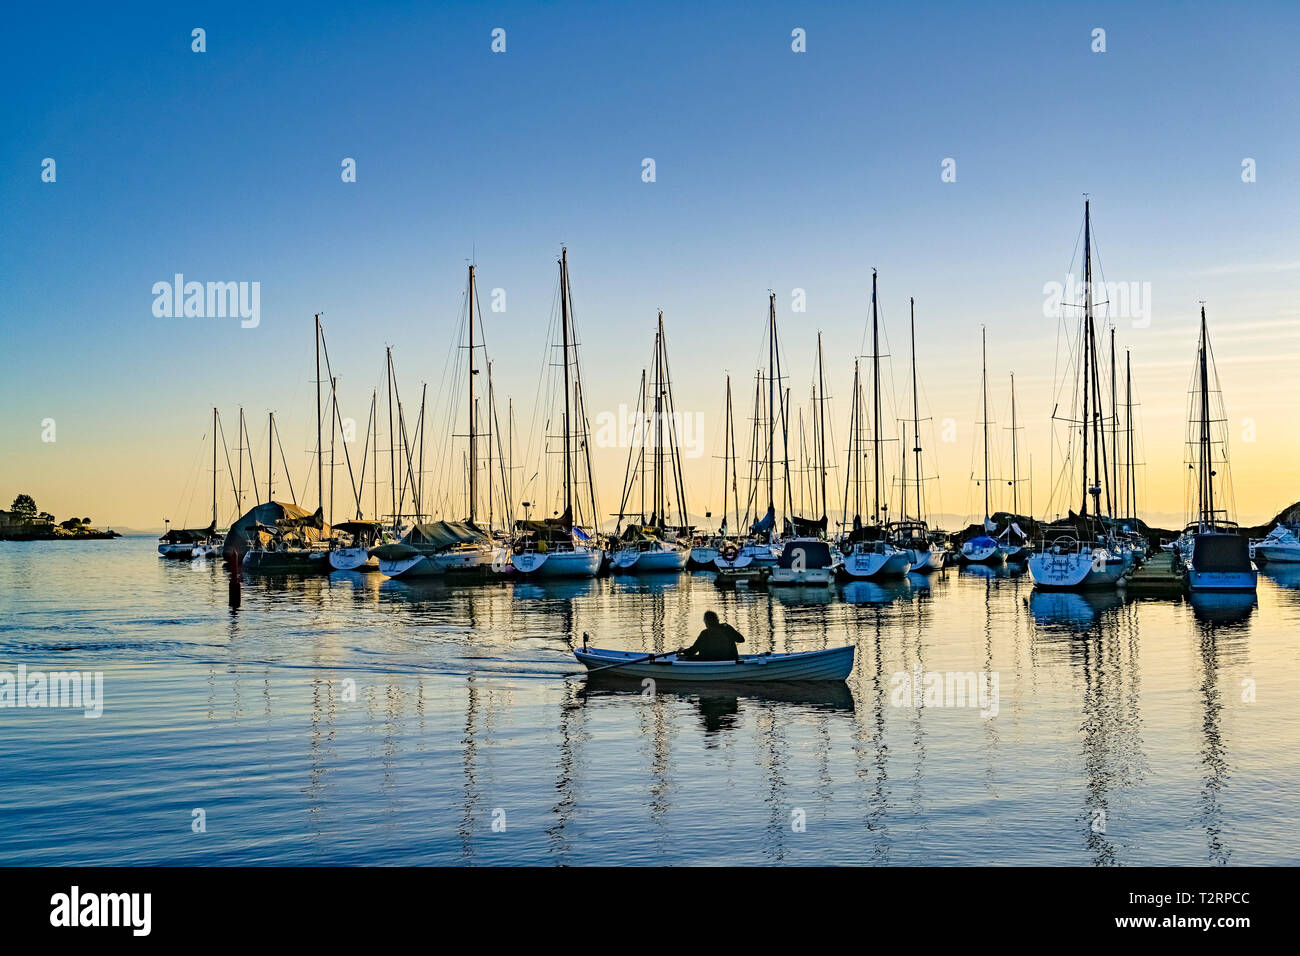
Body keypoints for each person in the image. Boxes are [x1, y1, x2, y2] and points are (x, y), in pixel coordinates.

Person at [676, 610, 745, 661]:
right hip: (732, 660)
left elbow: (692, 651)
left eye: (704, 621)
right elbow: (741, 640)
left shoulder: (705, 633)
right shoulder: (727, 627)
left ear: (706, 622)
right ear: (717, 620)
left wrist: (683, 650)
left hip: (713, 660)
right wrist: (731, 631)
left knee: (686, 658)